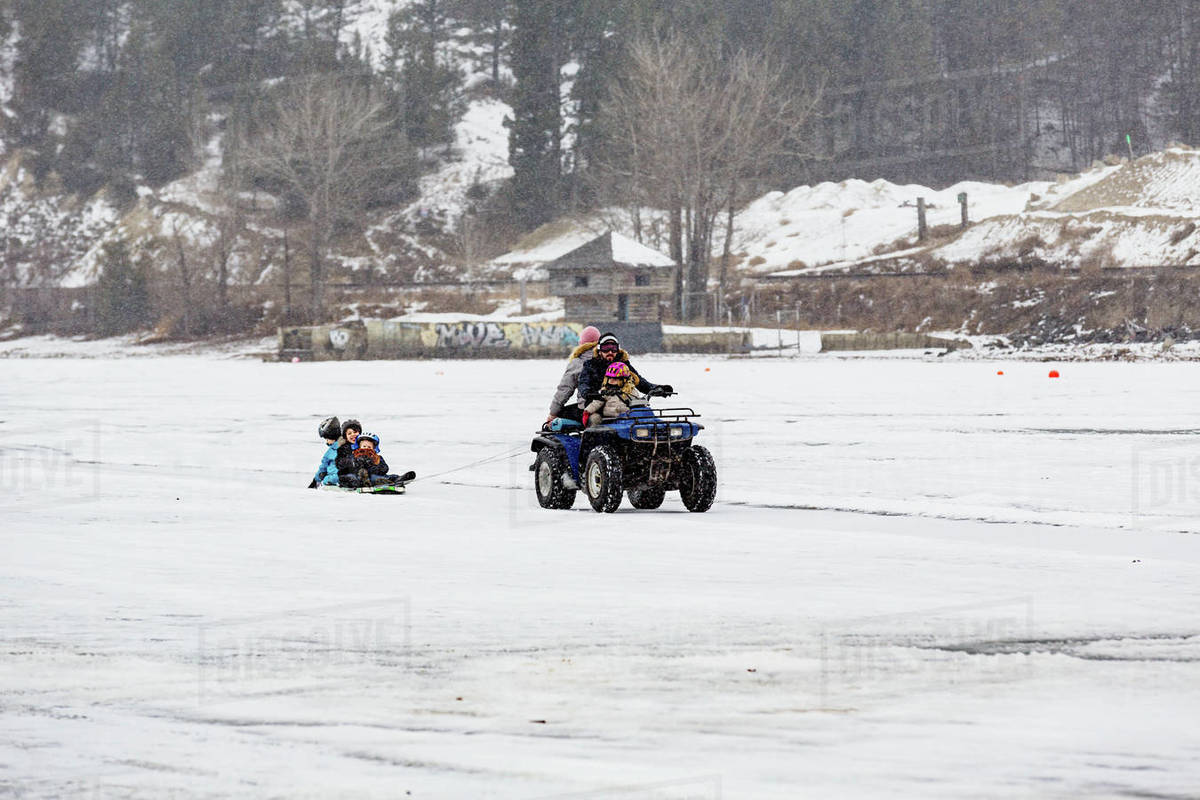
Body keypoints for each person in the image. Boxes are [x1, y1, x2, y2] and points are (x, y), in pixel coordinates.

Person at [577, 332, 672, 403]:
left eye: (613, 348)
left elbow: (639, 381)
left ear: (618, 350)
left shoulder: (623, 365)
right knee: (595, 420)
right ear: (599, 351)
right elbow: (583, 383)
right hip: (597, 403)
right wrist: (588, 393)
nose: (610, 352)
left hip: (624, 402)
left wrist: (656, 388)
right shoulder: (590, 365)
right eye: (606, 348)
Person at [545, 325, 601, 426]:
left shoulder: (577, 362)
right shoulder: (608, 358)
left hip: (585, 409)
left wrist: (553, 413)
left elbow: (564, 390)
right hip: (606, 407)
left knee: (560, 414)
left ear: (581, 344)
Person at [583, 362, 641, 427]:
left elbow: (637, 404)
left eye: (615, 379)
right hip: (608, 419)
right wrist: (587, 411)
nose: (611, 381)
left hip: (625, 419)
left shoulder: (630, 391)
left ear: (623, 380)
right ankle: (592, 434)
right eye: (609, 378)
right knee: (595, 418)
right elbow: (597, 402)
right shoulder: (606, 391)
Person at [308, 416, 341, 488]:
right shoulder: (349, 445)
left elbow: (323, 468)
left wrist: (316, 480)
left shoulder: (330, 452)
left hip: (332, 481)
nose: (327, 442)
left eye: (327, 439)